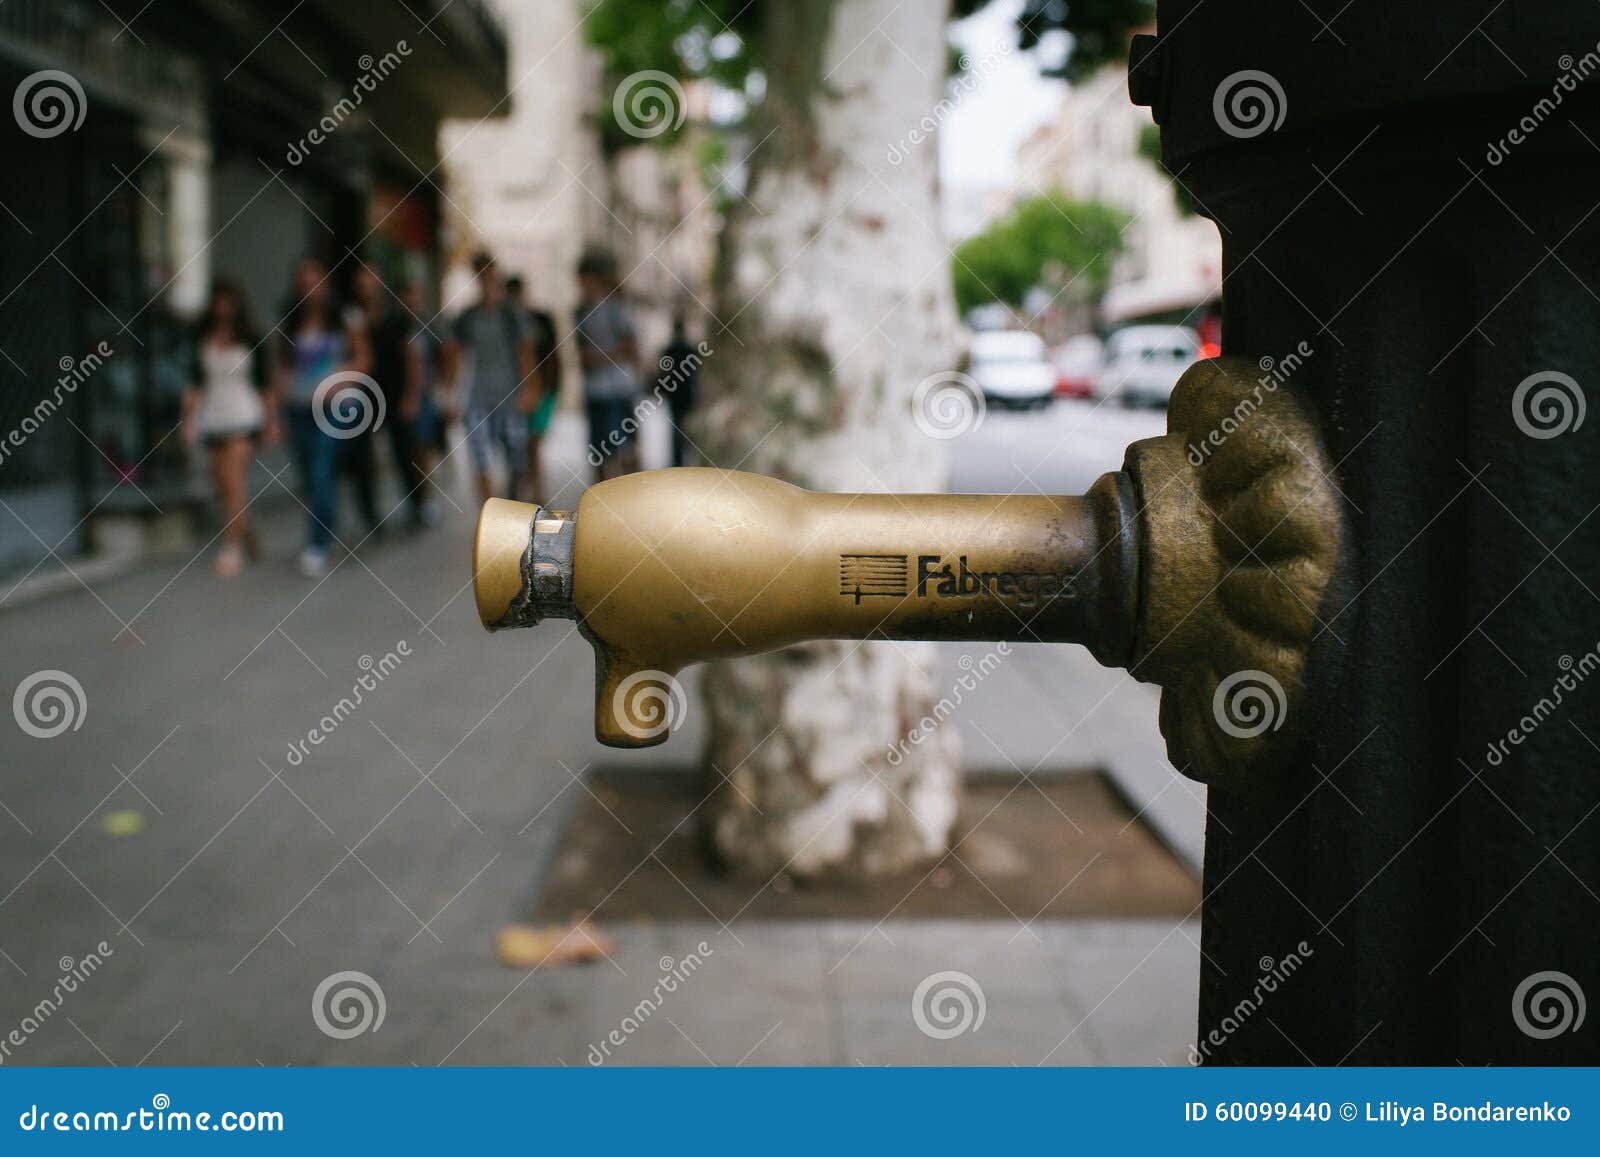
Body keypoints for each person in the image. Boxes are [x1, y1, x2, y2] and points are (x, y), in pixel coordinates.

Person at [275, 258, 372, 578]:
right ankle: (328, 527)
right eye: (304, 285)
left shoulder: (346, 318)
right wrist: (277, 412)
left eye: (315, 283)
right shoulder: (291, 322)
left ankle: (318, 544)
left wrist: (341, 378)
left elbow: (364, 359)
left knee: (322, 469)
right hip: (300, 408)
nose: (310, 290)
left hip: (334, 409)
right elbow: (282, 368)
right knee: (310, 475)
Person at [181, 280, 273, 577]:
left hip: (244, 416)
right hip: (213, 417)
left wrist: (271, 420)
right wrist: (188, 419)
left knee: (234, 482)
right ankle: (247, 527)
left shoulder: (251, 337)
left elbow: (264, 384)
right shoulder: (202, 339)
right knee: (222, 485)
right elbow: (196, 384)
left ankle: (231, 548)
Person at [442, 253, 538, 505]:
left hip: (510, 395)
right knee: (480, 458)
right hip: (477, 398)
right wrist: (451, 396)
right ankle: (490, 512)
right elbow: (455, 356)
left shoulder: (512, 315)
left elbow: (525, 352)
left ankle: (514, 506)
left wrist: (530, 389)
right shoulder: (467, 317)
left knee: (516, 459)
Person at [355, 267, 428, 529]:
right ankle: (371, 517)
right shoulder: (353, 319)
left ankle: (418, 506)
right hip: (364, 399)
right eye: (362, 284)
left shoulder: (396, 320)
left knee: (404, 455)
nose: (367, 288)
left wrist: (411, 395)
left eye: (371, 282)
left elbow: (411, 358)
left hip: (395, 397)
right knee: (364, 460)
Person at [574, 249, 641, 479]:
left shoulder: (616, 309)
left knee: (625, 449)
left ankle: (629, 495)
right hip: (595, 391)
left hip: (618, 389)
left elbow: (630, 346)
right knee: (599, 452)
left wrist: (600, 357)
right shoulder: (582, 311)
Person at [507, 274, 558, 501]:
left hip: (542, 390)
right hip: (514, 393)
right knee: (518, 446)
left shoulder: (541, 320)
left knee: (533, 442)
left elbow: (552, 357)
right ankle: (522, 493)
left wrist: (547, 388)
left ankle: (535, 493)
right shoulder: (505, 323)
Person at [401, 280, 446, 525]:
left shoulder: (429, 327)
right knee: (408, 452)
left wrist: (443, 390)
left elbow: (446, 355)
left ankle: (426, 499)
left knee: (423, 448)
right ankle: (416, 501)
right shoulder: (397, 327)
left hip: (425, 397)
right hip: (401, 398)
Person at [658, 314, 700, 468]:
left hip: (677, 394)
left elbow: (663, 373)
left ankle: (679, 461)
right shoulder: (688, 350)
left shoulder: (672, 350)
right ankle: (682, 461)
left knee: (678, 429)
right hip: (684, 395)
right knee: (684, 429)